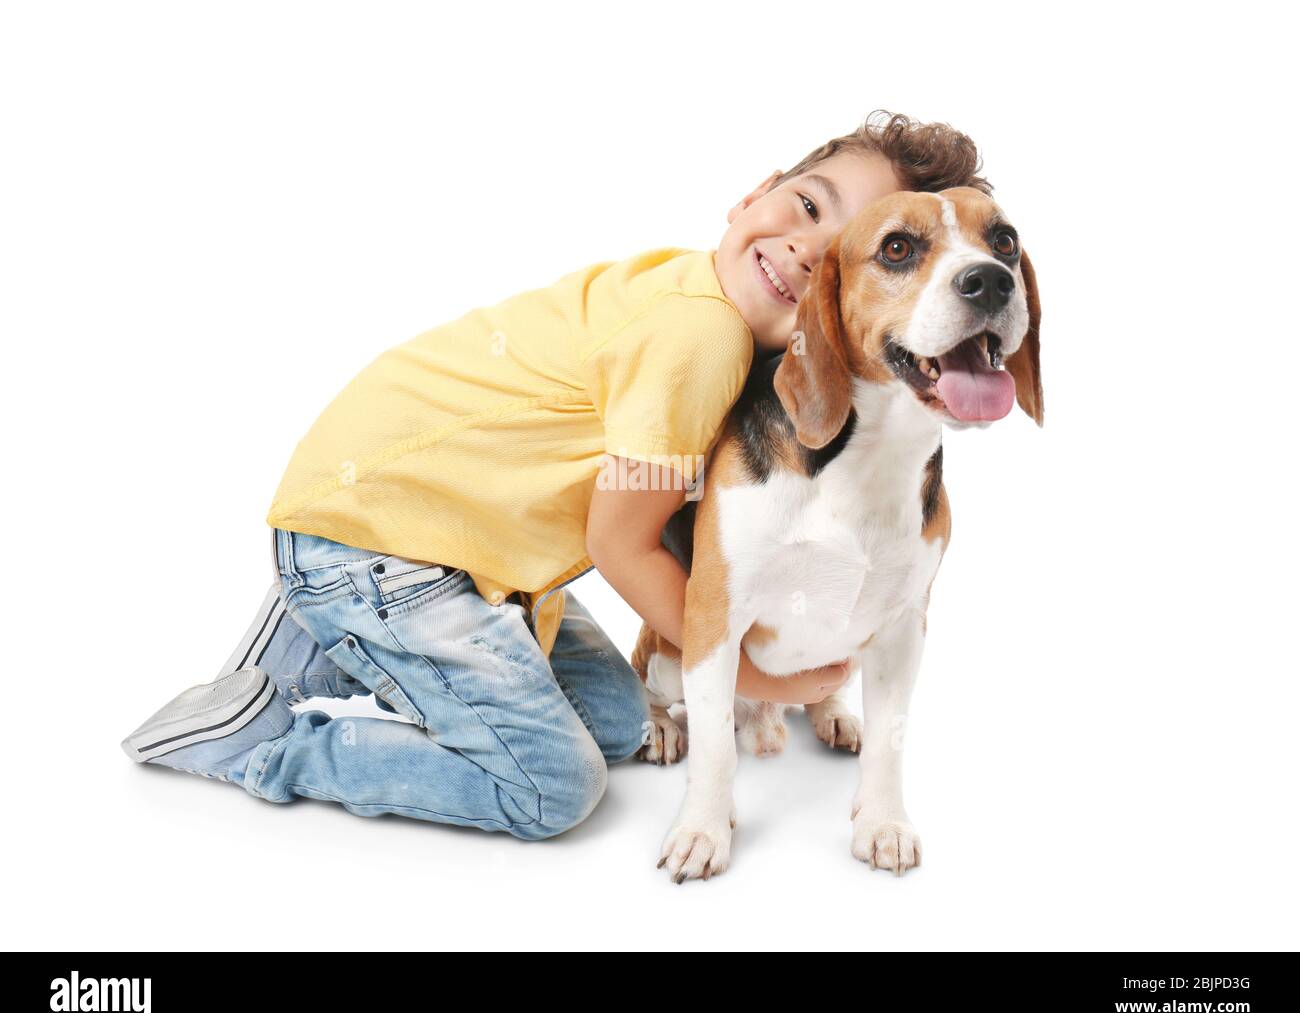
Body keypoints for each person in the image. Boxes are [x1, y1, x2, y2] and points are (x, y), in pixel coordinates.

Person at [121, 110, 992, 839]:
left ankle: (310, 630)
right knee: (551, 786)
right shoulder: (701, 336)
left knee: (621, 725)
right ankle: (269, 740)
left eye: (841, 249)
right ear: (753, 193)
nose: (805, 249)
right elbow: (620, 544)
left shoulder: (693, 287)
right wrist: (755, 682)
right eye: (806, 205)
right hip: (387, 542)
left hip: (422, 521)